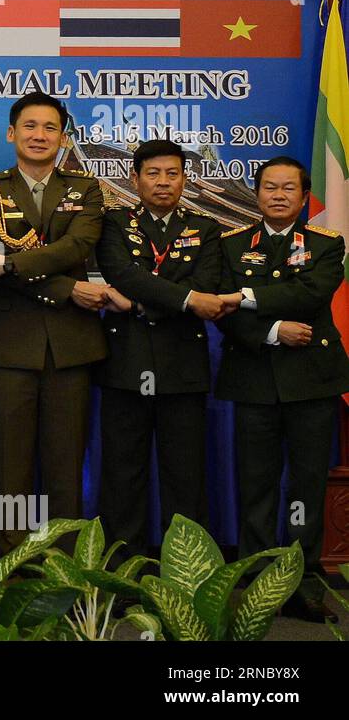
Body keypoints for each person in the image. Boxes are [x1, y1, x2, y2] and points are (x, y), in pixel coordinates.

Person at [0, 92, 107, 553]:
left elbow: (77, 247)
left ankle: (66, 567)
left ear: (63, 138)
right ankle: (13, 568)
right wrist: (67, 289)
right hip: (10, 345)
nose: (39, 135)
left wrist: (9, 267)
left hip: (72, 344)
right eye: (30, 126)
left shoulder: (86, 189)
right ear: (12, 133)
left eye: (50, 128)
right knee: (10, 467)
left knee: (65, 464)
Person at [215, 156, 348, 623]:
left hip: (312, 380)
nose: (278, 195)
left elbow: (311, 294)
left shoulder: (327, 244)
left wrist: (248, 298)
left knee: (305, 484)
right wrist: (272, 332)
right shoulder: (230, 245)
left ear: (303, 194)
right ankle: (254, 576)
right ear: (256, 193)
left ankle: (302, 575)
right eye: (269, 186)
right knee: (256, 484)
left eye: (288, 188)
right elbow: (221, 312)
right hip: (253, 377)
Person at [95, 139, 227, 561]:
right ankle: (122, 569)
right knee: (122, 475)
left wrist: (136, 303)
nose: (163, 182)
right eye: (153, 173)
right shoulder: (114, 223)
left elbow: (203, 287)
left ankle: (186, 573)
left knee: (184, 477)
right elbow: (120, 272)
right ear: (135, 179)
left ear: (185, 179)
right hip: (125, 363)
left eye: (173, 174)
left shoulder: (206, 228)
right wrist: (184, 299)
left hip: (182, 366)